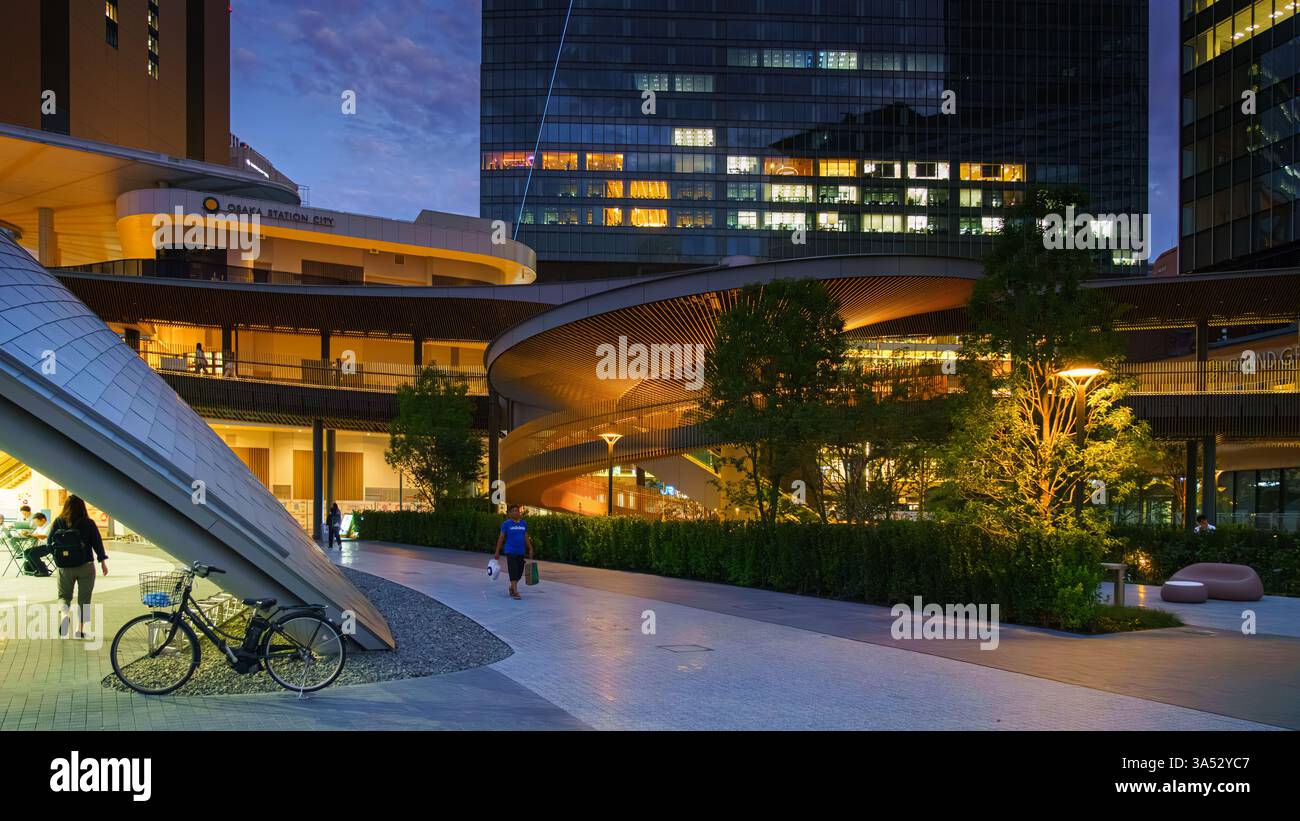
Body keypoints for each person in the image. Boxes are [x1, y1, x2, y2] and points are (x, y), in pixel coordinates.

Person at [49, 496, 108, 638]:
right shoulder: (88, 523)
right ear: (82, 507)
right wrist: (102, 562)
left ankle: (64, 615)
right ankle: (79, 630)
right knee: (84, 599)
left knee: (64, 596)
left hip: (65, 567)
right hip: (85, 565)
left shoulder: (58, 521)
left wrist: (59, 557)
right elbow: (97, 543)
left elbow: (49, 542)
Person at [492, 504, 534, 600]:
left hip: (521, 551)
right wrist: (497, 551)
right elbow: (501, 537)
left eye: (517, 511)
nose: (516, 512)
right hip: (510, 551)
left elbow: (525, 536)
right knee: (513, 570)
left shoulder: (523, 523)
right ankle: (515, 591)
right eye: (513, 511)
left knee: (519, 572)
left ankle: (511, 587)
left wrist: (530, 548)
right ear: (510, 513)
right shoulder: (506, 524)